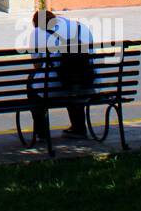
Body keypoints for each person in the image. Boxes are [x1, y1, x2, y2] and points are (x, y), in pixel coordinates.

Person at [27, 9, 96, 140]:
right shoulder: (81, 27)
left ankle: (42, 132)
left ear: (36, 23)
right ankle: (79, 128)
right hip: (88, 84)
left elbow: (37, 65)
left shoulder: (37, 32)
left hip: (58, 87)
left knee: (32, 82)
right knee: (74, 80)